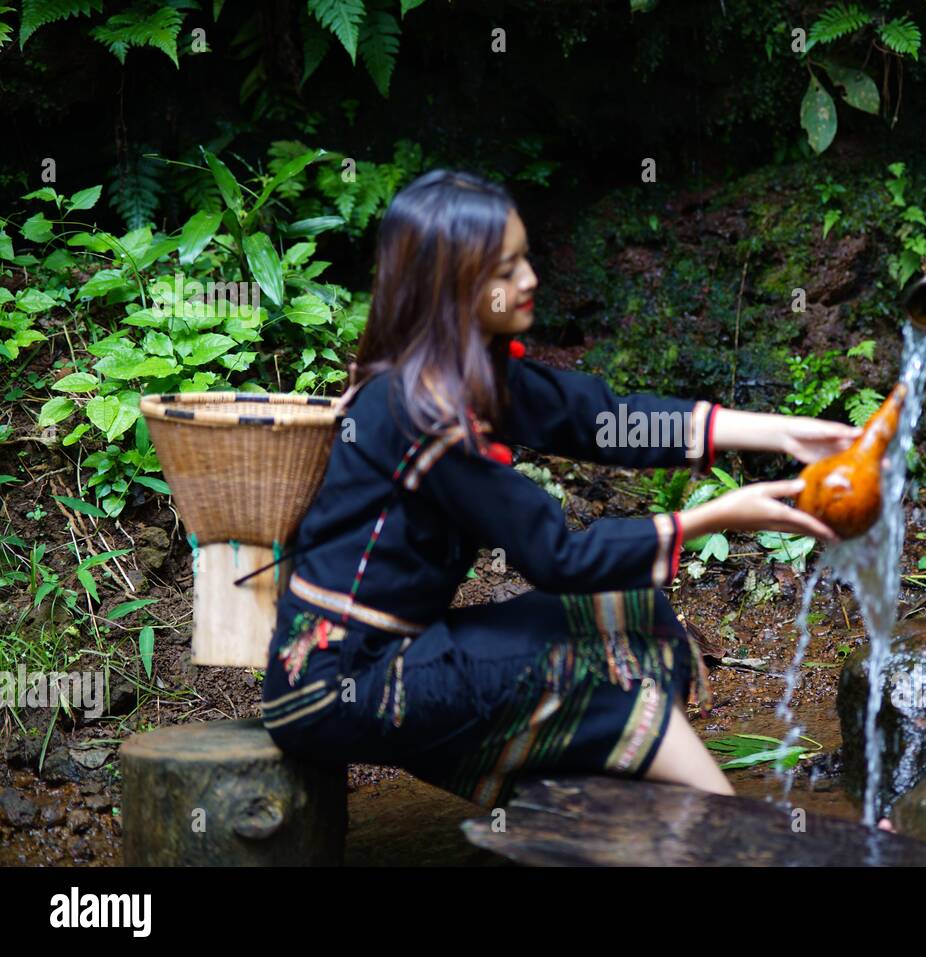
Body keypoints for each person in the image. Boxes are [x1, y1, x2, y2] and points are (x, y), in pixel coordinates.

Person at [260, 169, 858, 808]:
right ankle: (736, 828)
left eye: (524, 258)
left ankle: (621, 808)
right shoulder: (421, 412)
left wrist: (787, 433)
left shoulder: (466, 374)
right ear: (452, 289)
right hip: (339, 684)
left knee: (635, 615)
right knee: (605, 674)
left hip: (404, 650)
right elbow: (556, 557)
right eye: (505, 268)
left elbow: (599, 417)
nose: (529, 279)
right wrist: (716, 517)